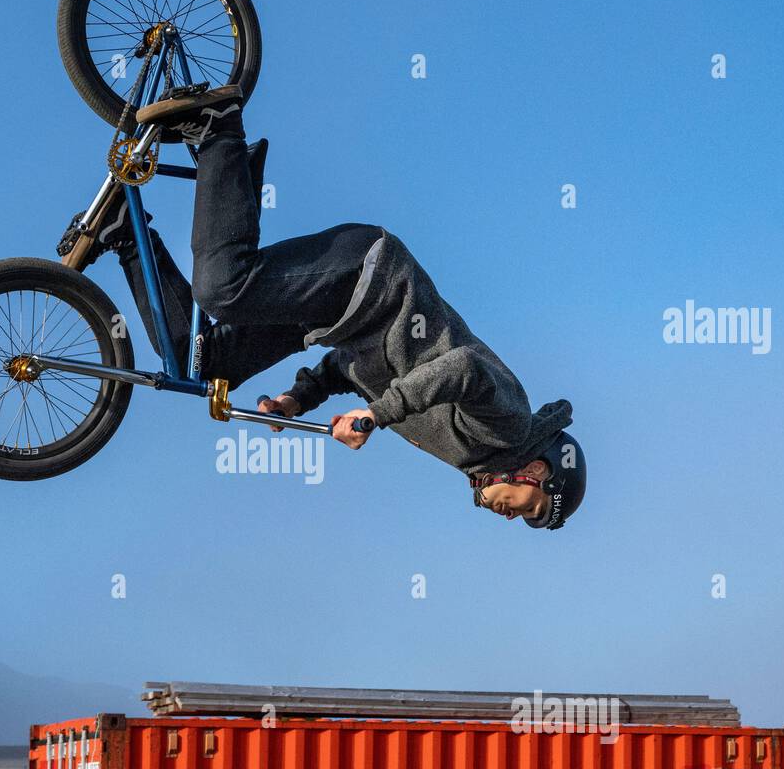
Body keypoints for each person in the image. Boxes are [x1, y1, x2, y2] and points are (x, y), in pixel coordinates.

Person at [68, 84, 586, 530]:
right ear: (536, 472)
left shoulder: (471, 453)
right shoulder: (509, 427)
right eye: (529, 509)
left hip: (338, 322)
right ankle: (218, 128)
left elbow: (352, 367)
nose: (511, 516)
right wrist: (377, 415)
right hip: (369, 279)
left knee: (198, 364)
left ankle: (125, 235)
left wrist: (298, 399)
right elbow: (463, 368)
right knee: (224, 289)